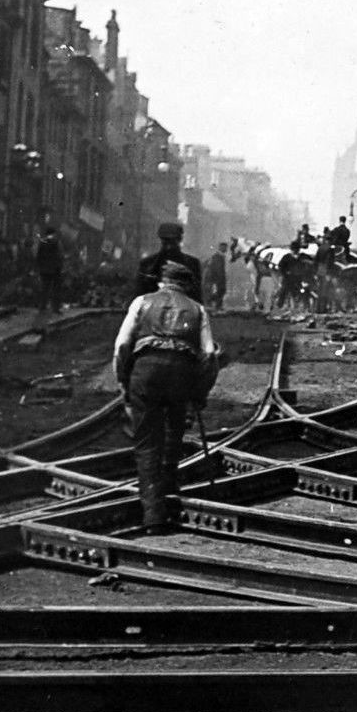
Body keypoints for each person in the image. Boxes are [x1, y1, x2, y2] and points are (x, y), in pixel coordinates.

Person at [113, 261, 218, 533]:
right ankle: (171, 488)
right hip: (181, 373)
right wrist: (200, 392)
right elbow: (209, 355)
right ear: (186, 285)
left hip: (145, 372)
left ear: (162, 282)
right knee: (174, 431)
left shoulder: (141, 302)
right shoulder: (198, 310)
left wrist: (123, 380)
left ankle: (153, 515)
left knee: (147, 442)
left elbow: (122, 345)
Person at [136, 222, 203, 304]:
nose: (169, 246)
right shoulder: (147, 264)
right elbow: (140, 294)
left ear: (179, 240)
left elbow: (196, 296)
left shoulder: (192, 263)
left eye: (172, 242)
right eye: (166, 242)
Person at [36, 226, 65, 314]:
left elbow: (38, 255)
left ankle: (42, 306)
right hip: (55, 268)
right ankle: (55, 308)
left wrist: (39, 266)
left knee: (45, 288)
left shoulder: (42, 242)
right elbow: (60, 255)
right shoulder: (57, 242)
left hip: (44, 269)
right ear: (53, 233)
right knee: (56, 288)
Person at [202, 241, 229, 311]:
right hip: (215, 277)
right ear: (221, 248)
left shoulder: (217, 256)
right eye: (225, 247)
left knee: (218, 292)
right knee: (220, 291)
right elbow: (218, 269)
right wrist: (221, 278)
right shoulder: (218, 257)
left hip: (212, 278)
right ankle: (216, 306)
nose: (226, 249)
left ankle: (215, 305)